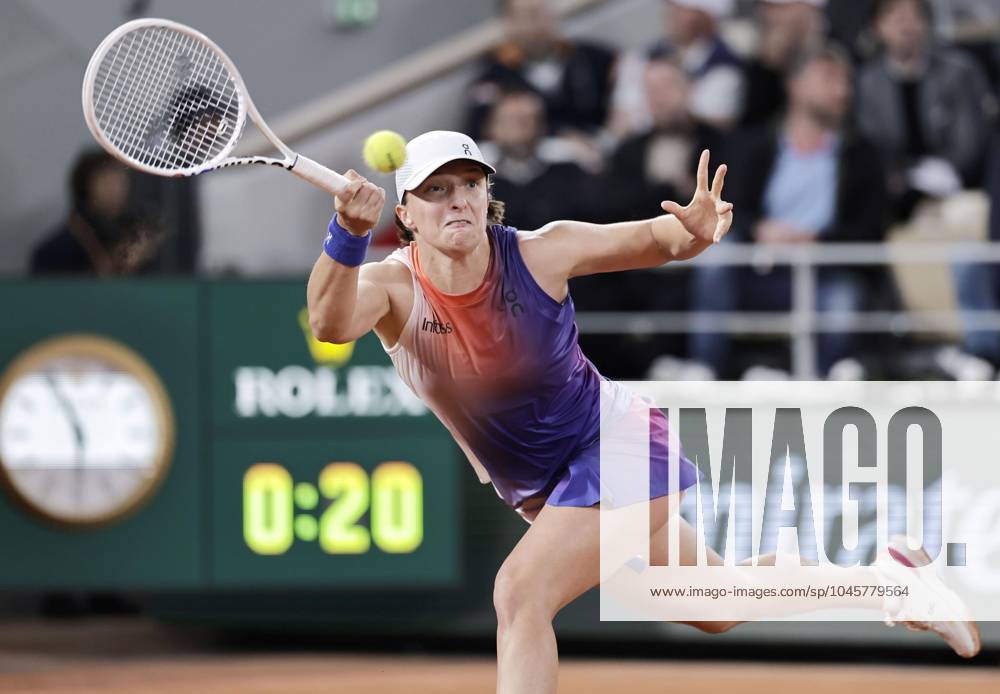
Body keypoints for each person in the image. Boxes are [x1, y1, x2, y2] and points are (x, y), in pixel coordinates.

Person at [306, 130, 978, 692]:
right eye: (436, 190)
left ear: (489, 195)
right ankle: (890, 580)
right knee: (719, 603)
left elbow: (657, 240)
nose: (458, 200)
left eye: (469, 184)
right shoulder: (391, 288)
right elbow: (329, 322)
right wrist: (344, 233)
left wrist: (695, 231)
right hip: (548, 489)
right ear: (407, 215)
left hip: (618, 447)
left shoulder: (543, 251)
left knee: (519, 595)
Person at [688, 44, 888, 379]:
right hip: (761, 268)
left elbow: (871, 227)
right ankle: (704, 368)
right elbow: (731, 207)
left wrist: (816, 240)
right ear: (795, 85)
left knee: (843, 300)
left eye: (846, 81)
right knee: (715, 261)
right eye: (829, 78)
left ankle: (820, 376)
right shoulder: (756, 145)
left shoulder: (862, 154)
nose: (843, 90)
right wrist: (761, 230)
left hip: (826, 271)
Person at [464, 0, 617, 141]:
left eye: (542, 12)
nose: (536, 23)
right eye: (527, 15)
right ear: (508, 22)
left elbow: (626, 80)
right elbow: (480, 136)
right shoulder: (493, 78)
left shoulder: (587, 58)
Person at [31, 150, 165, 276]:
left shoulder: (141, 242)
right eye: (107, 181)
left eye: (119, 180)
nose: (115, 188)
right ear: (86, 185)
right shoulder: (54, 253)